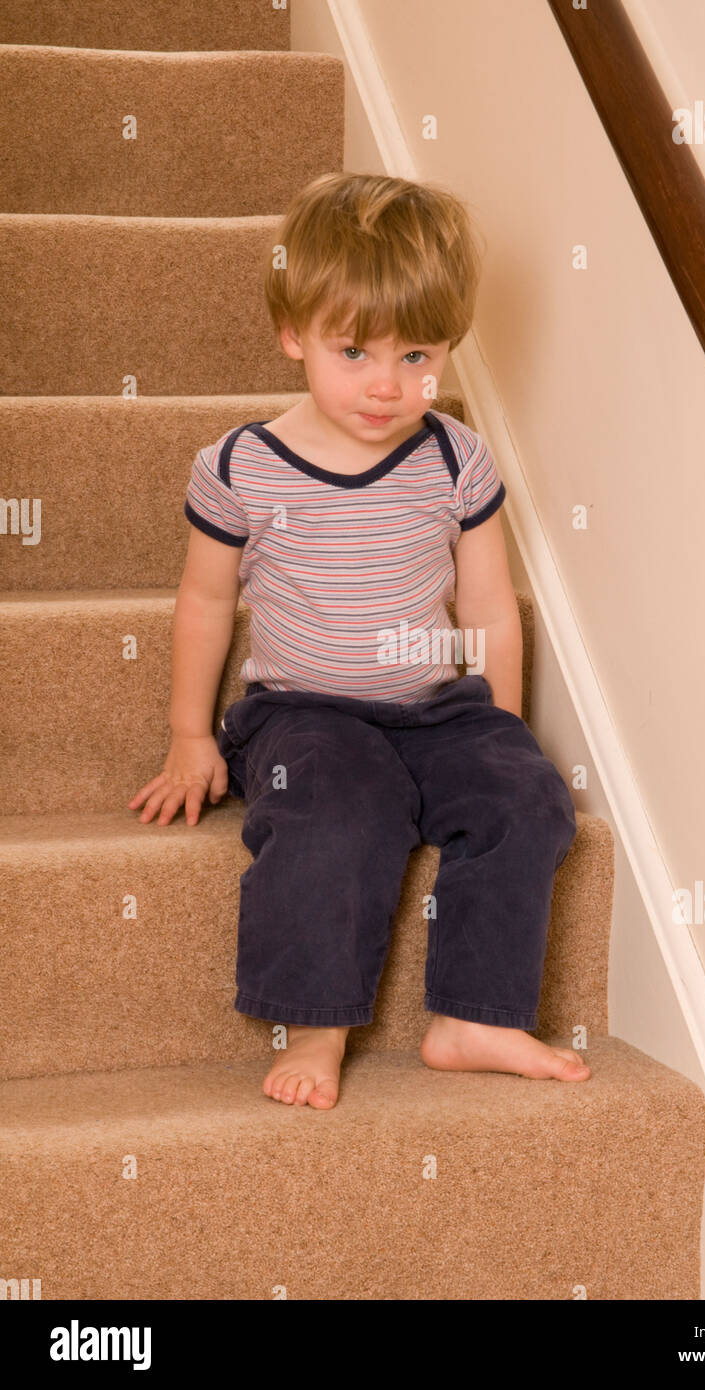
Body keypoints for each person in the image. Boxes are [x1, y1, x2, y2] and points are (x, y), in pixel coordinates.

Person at [128, 172, 589, 1109]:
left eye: (417, 354)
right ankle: (318, 1023)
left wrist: (498, 727)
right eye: (353, 352)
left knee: (530, 801)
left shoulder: (455, 456)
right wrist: (189, 734)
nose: (387, 385)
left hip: (436, 707)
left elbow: (490, 609)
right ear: (293, 335)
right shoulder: (241, 465)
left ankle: (475, 1015)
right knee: (336, 814)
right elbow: (205, 603)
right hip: (303, 714)